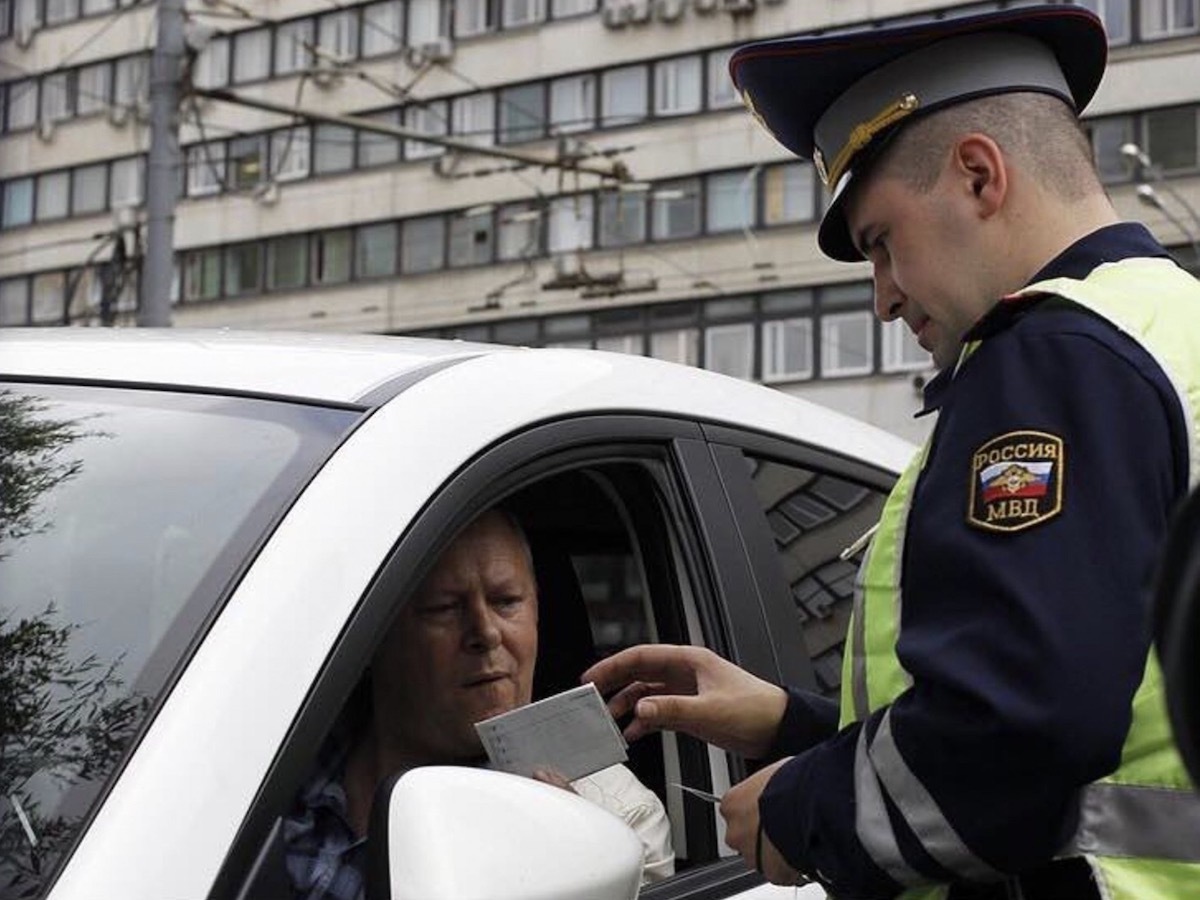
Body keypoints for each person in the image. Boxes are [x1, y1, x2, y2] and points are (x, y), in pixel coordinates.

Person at [583, 6, 1200, 899]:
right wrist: (796, 726)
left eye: (880, 243)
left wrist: (804, 806)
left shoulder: (1052, 359)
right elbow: (1106, 687)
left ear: (979, 176)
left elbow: (1020, 732)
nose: (882, 298)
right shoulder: (1167, 326)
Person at [284, 508, 674, 899]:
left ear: (538, 613)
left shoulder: (619, 820)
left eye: (506, 601)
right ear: (371, 634)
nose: (486, 633)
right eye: (444, 607)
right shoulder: (275, 766)